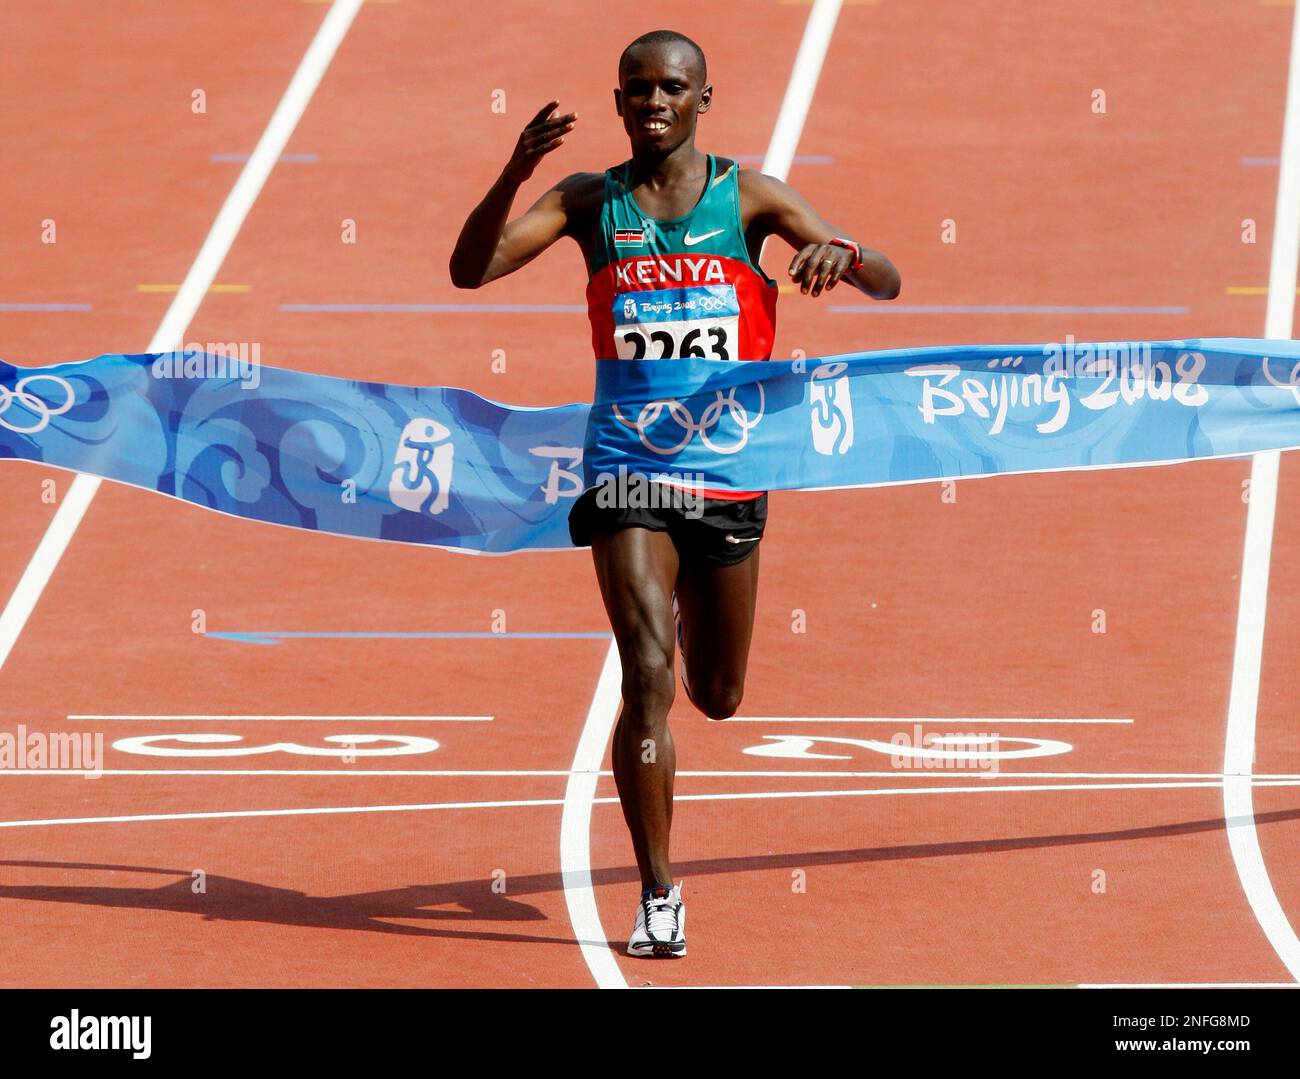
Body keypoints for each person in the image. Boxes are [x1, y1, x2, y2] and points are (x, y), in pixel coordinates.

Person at [450, 29, 900, 958]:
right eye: (638, 88)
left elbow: (888, 282)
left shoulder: (752, 197)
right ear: (618, 101)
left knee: (719, 694)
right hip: (626, 466)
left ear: (703, 98)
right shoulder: (587, 201)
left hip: (730, 472)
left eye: (671, 87)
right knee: (645, 674)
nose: (653, 102)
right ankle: (659, 891)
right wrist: (513, 171)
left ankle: (692, 630)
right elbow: (471, 269)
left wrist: (842, 252)